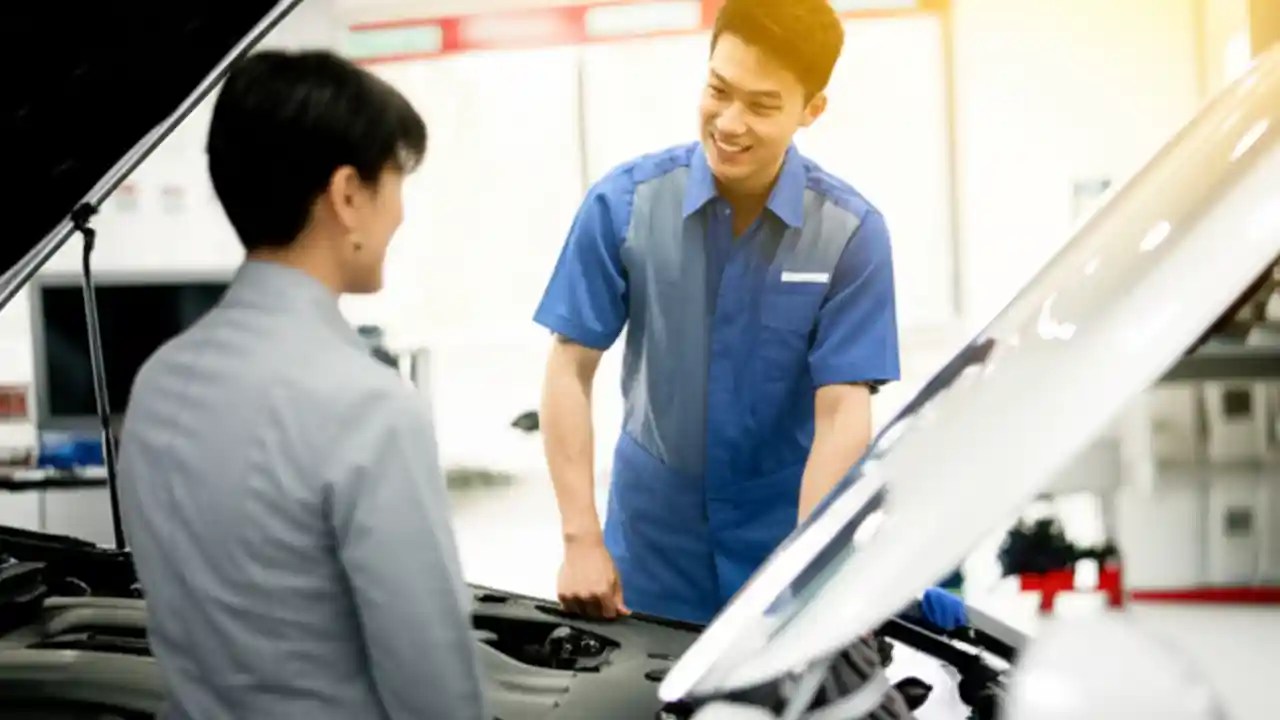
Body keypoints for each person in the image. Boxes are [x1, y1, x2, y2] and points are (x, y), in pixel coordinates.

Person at [534, 0, 967, 628]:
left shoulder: (849, 234)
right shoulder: (624, 206)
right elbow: (568, 370)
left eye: (762, 105)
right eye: (718, 90)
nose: (730, 123)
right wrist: (580, 540)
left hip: (783, 544)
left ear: (810, 110)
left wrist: (812, 566)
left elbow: (844, 410)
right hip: (648, 551)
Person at [116, 50, 488, 720]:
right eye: (395, 181)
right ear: (348, 195)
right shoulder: (370, 409)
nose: (400, 213)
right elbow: (435, 695)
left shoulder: (158, 383)